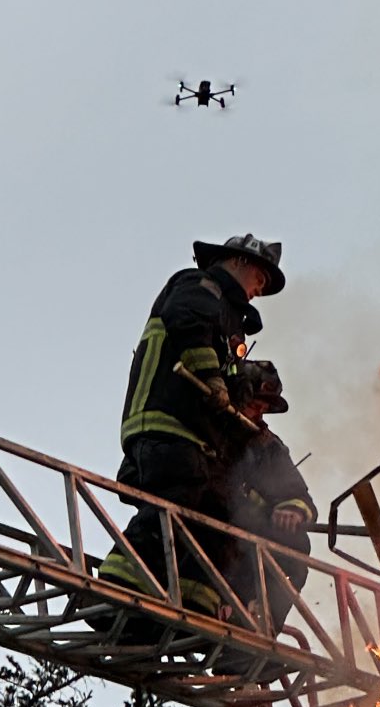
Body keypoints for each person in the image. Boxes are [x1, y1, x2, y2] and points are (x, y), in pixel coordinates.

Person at [100, 234, 285, 617]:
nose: (258, 289)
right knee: (174, 504)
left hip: (198, 438)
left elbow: (223, 376)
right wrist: (213, 379)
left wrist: (238, 388)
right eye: (259, 277)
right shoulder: (199, 287)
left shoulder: (230, 320)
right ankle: (117, 587)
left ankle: (192, 603)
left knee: (216, 515)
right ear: (238, 261)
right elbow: (190, 326)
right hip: (166, 420)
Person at [223, 359, 315, 632]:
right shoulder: (212, 429)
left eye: (264, 408)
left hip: (252, 538)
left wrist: (293, 509)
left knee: (296, 548)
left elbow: (299, 494)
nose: (259, 413)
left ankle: (264, 624)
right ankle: (226, 608)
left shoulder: (267, 446)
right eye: (255, 404)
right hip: (213, 532)